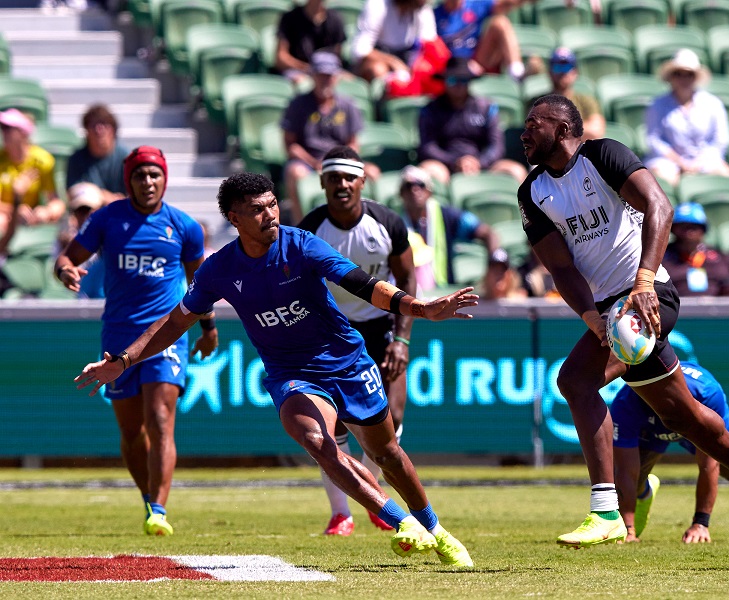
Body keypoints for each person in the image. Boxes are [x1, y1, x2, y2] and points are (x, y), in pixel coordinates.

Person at [74, 171, 476, 566]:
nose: (270, 215)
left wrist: (420, 308)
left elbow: (363, 285)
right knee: (317, 440)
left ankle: (436, 529)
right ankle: (400, 521)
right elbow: (177, 320)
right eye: (257, 209)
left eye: (272, 205)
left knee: (387, 454)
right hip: (291, 373)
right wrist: (124, 360)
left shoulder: (302, 245)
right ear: (234, 219)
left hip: (348, 362)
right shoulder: (219, 269)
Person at [517, 93, 729, 548]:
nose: (523, 134)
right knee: (683, 416)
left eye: (533, 123)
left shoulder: (602, 154)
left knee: (576, 382)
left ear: (562, 128)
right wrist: (589, 317)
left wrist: (643, 282)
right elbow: (560, 268)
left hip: (649, 295)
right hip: (608, 310)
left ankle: (605, 511)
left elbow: (660, 206)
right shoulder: (532, 191)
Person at [55, 146, 219, 535]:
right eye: (140, 175)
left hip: (167, 335)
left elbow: (202, 284)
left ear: (165, 179)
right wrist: (65, 271)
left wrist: (208, 328)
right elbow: (67, 258)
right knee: (131, 431)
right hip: (118, 335)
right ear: (128, 180)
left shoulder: (185, 227)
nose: (147, 182)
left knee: (160, 418)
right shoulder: (106, 220)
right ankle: (149, 499)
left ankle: (159, 510)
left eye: (154, 174)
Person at [299, 146, 415, 535]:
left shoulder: (387, 223)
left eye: (349, 177)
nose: (342, 185)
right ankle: (341, 513)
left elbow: (407, 279)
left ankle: (375, 500)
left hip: (380, 328)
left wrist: (402, 339)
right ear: (322, 183)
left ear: (363, 182)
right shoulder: (310, 228)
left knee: (391, 416)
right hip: (330, 333)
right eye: (334, 178)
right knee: (331, 428)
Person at [612, 360, 729, 544]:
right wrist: (627, 529)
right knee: (632, 476)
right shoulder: (625, 404)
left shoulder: (706, 393)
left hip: (694, 415)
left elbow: (709, 464)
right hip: (652, 429)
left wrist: (701, 523)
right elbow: (625, 471)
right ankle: (644, 494)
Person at [281, 51, 367, 225]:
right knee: (294, 173)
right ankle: (302, 227)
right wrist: (315, 163)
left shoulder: (347, 105)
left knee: (370, 172)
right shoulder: (298, 104)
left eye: (329, 76)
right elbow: (291, 145)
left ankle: (357, 225)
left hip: (339, 160)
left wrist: (341, 162)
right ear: (312, 76)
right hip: (308, 162)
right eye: (321, 75)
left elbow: (353, 143)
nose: (325, 80)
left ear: (336, 78)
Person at [418, 57, 528, 185]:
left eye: (463, 81)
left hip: (481, 164)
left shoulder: (486, 107)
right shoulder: (430, 110)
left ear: (470, 82)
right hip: (445, 165)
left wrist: (479, 162)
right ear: (445, 82)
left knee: (516, 171)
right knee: (427, 170)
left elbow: (496, 146)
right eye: (453, 80)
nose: (458, 86)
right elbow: (427, 147)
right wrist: (454, 161)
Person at [398, 165, 499, 290]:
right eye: (408, 186)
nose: (415, 189)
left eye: (421, 185)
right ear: (401, 193)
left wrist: (494, 262)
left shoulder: (448, 215)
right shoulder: (393, 221)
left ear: (430, 192)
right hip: (408, 293)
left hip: (443, 292)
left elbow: (487, 233)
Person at [643, 49, 729, 187]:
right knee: (665, 179)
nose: (684, 79)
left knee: (725, 175)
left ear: (695, 77)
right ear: (671, 77)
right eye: (678, 74)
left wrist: (698, 163)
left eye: (689, 75)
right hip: (668, 161)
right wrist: (680, 162)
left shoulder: (713, 103)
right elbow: (654, 140)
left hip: (704, 160)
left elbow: (719, 141)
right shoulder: (657, 105)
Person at [662, 203, 729, 299]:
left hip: (718, 312)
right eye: (683, 226)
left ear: (704, 229)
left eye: (694, 226)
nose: (689, 231)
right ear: (673, 229)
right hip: (677, 310)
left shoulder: (722, 257)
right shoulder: (662, 258)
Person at [0, 108, 65, 232]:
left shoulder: (43, 160)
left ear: (23, 133)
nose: (4, 132)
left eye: (8, 128)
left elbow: (56, 202)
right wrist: (15, 209)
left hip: (32, 219)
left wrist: (46, 211)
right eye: (2, 128)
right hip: (6, 217)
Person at [433, 0, 528, 81]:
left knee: (500, 23)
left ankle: (518, 74)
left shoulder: (475, 4)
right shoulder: (434, 15)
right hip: (450, 65)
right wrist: (463, 66)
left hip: (476, 60)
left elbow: (503, 5)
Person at [351, 0, 438, 83]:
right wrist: (393, 61)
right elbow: (360, 49)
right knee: (378, 69)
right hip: (379, 57)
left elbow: (430, 42)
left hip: (406, 58)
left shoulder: (422, 8)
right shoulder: (378, 4)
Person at [66, 104, 130, 203]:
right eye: (93, 125)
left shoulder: (125, 158)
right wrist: (102, 196)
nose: (99, 130)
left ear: (113, 129)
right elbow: (73, 192)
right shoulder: (77, 159)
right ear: (86, 131)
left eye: (104, 124)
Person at [274, 0, 346, 84]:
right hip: (299, 71)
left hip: (327, 71)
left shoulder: (335, 19)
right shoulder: (290, 18)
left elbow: (337, 58)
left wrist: (323, 70)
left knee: (347, 81)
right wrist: (308, 69)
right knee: (301, 82)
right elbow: (281, 58)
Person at [540, 47, 605, 141]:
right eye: (558, 67)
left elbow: (595, 131)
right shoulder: (538, 102)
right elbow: (538, 133)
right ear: (549, 72)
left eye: (567, 67)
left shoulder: (586, 101)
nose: (563, 72)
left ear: (575, 72)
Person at [57, 182, 106, 299]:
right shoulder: (64, 239)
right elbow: (61, 265)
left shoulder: (112, 236)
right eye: (81, 211)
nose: (86, 216)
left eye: (89, 210)